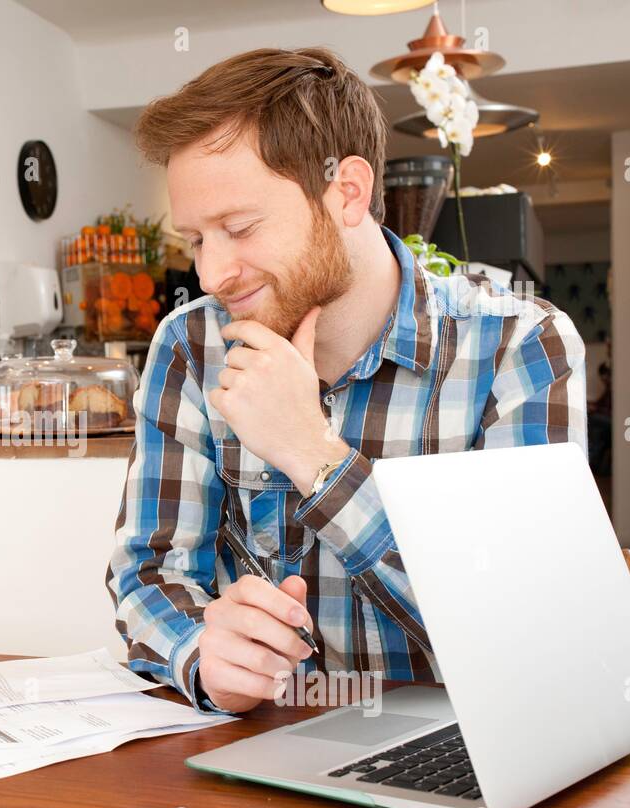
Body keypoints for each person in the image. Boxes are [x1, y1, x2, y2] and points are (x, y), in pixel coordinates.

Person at [106, 48, 586, 715]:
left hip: (467, 745)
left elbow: (521, 630)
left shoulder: (518, 345)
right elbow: (148, 573)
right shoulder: (190, 346)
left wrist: (315, 456)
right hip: (261, 758)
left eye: (239, 228)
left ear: (348, 193)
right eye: (196, 239)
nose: (213, 274)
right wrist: (202, 655)